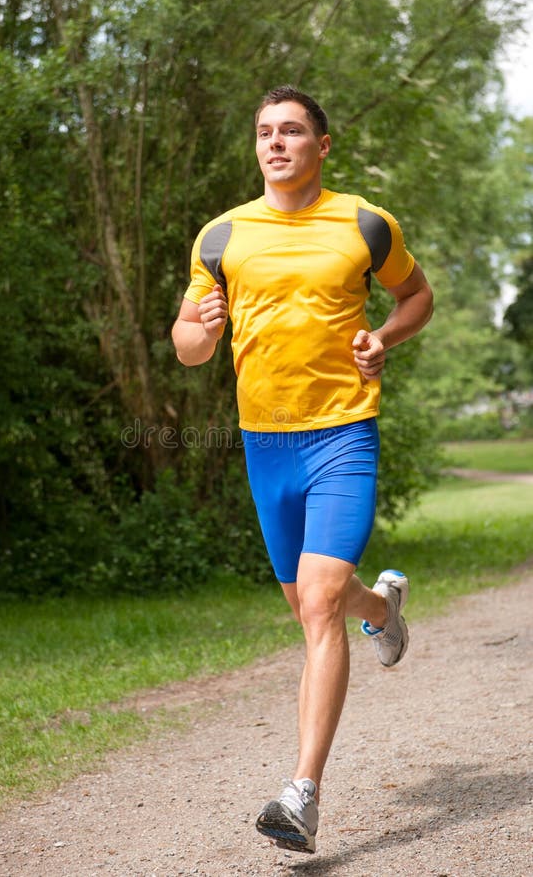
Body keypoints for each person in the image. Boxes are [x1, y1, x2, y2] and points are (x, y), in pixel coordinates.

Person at [171, 85, 433, 855]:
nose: (275, 142)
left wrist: (384, 337)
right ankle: (383, 612)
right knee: (308, 602)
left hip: (342, 433)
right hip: (265, 442)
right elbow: (187, 344)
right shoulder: (220, 237)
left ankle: (301, 794)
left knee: (318, 602)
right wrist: (201, 328)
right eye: (263, 132)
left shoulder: (363, 223)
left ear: (322, 146)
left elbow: (415, 297)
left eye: (291, 131)